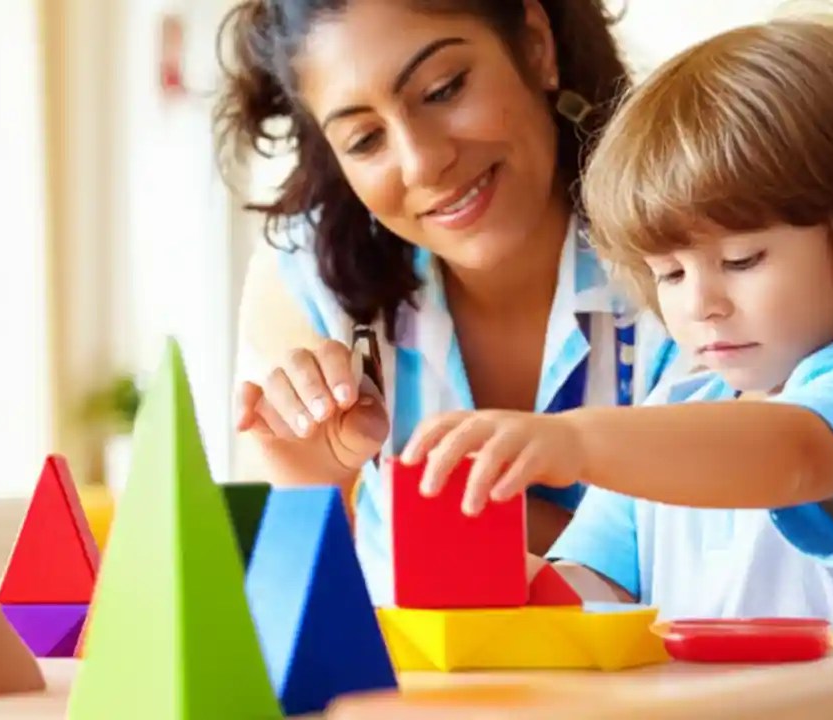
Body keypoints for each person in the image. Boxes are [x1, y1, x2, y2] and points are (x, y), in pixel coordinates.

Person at [401, 10, 833, 631]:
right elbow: (588, 594)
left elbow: (793, 455)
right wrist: (487, 580)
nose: (701, 304)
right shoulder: (670, 413)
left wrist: (578, 442)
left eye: (741, 260)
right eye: (670, 274)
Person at [215, 0, 680, 607]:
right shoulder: (309, 283)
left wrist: (461, 530)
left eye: (443, 89)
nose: (423, 162)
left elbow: (725, 547)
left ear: (535, 46)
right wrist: (308, 485)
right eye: (365, 140)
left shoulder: (689, 254)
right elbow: (285, 614)